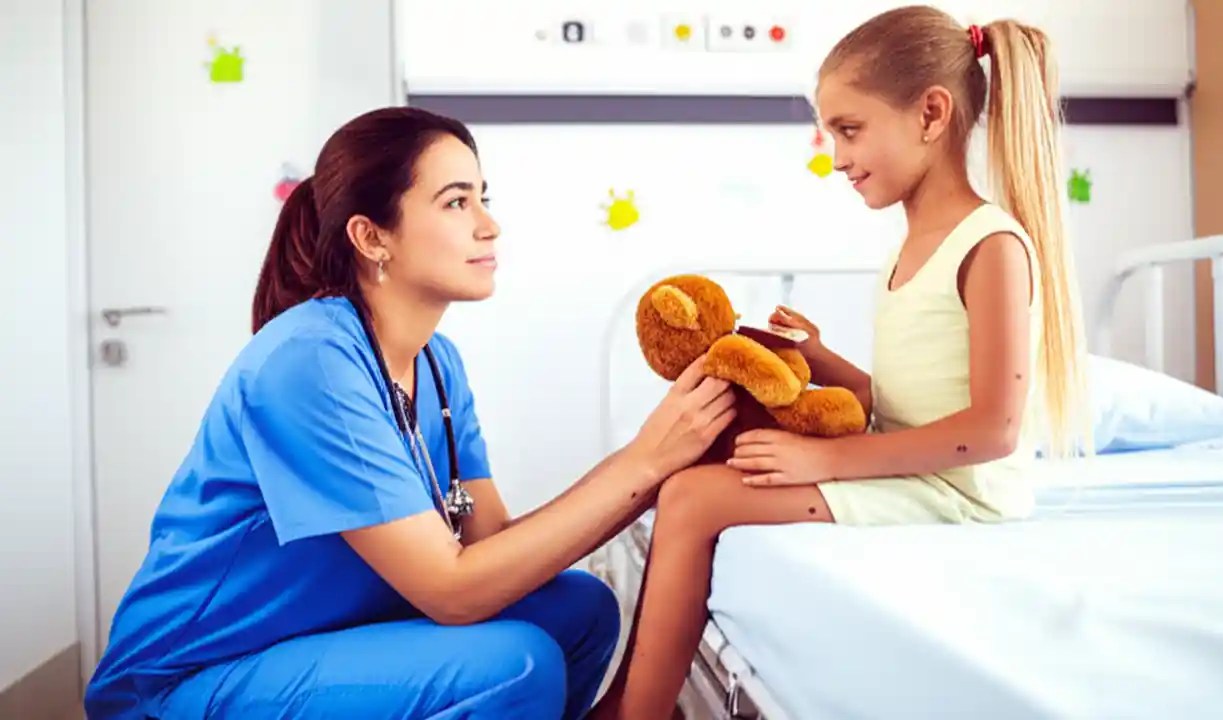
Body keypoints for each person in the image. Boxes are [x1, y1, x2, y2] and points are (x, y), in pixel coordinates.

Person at [83, 106, 738, 719]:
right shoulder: (309, 361)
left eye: (484, 197)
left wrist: (659, 464)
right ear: (372, 237)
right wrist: (647, 459)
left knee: (582, 608)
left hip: (328, 638)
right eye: (456, 201)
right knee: (515, 666)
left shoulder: (436, 362)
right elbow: (454, 590)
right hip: (194, 675)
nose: (489, 224)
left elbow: (489, 545)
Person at [588, 6, 1092, 719]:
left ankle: (636, 711)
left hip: (963, 493)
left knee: (696, 498)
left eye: (849, 130)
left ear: (931, 114)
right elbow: (904, 399)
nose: (836, 155)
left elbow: (991, 430)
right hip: (920, 469)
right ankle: (628, 698)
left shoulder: (991, 245)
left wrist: (824, 460)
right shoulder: (910, 245)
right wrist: (817, 356)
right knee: (692, 471)